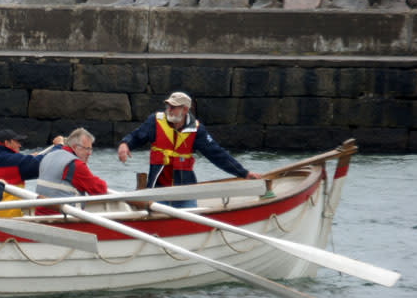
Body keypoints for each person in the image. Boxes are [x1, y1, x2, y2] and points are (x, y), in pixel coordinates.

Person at [117, 91, 261, 208]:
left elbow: (218, 155)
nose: (168, 110)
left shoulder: (197, 130)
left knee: (191, 218)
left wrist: (244, 173)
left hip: (185, 192)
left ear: (184, 109)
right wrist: (125, 144)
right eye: (167, 106)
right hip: (157, 192)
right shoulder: (155, 121)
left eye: (173, 107)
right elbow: (136, 136)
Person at [0, 128, 64, 217]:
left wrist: (28, 158)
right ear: (7, 143)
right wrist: (58, 146)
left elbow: (15, 164)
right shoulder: (16, 163)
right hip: (7, 218)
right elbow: (44, 164)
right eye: (17, 142)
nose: (20, 145)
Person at [35, 128, 107, 214]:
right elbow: (99, 190)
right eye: (87, 149)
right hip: (62, 219)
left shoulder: (47, 157)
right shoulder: (75, 165)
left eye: (90, 149)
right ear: (74, 147)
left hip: (40, 215)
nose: (89, 153)